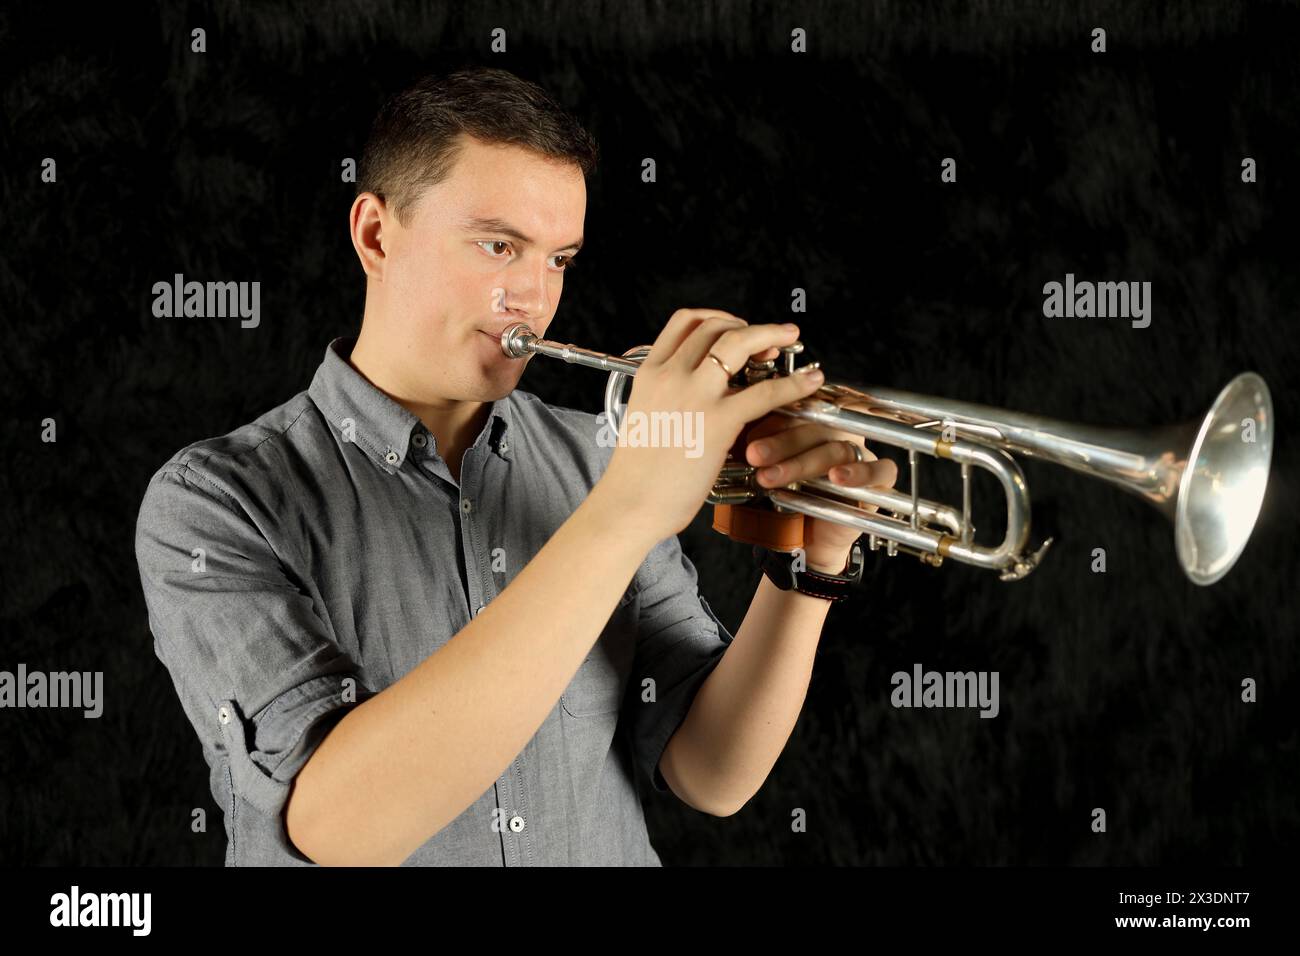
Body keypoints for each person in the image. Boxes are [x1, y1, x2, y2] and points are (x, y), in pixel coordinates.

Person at [133, 67, 897, 866]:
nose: (532, 298)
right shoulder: (214, 502)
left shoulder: (602, 456)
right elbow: (337, 828)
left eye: (559, 259)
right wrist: (626, 510)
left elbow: (710, 774)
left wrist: (808, 568)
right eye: (499, 246)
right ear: (374, 235)